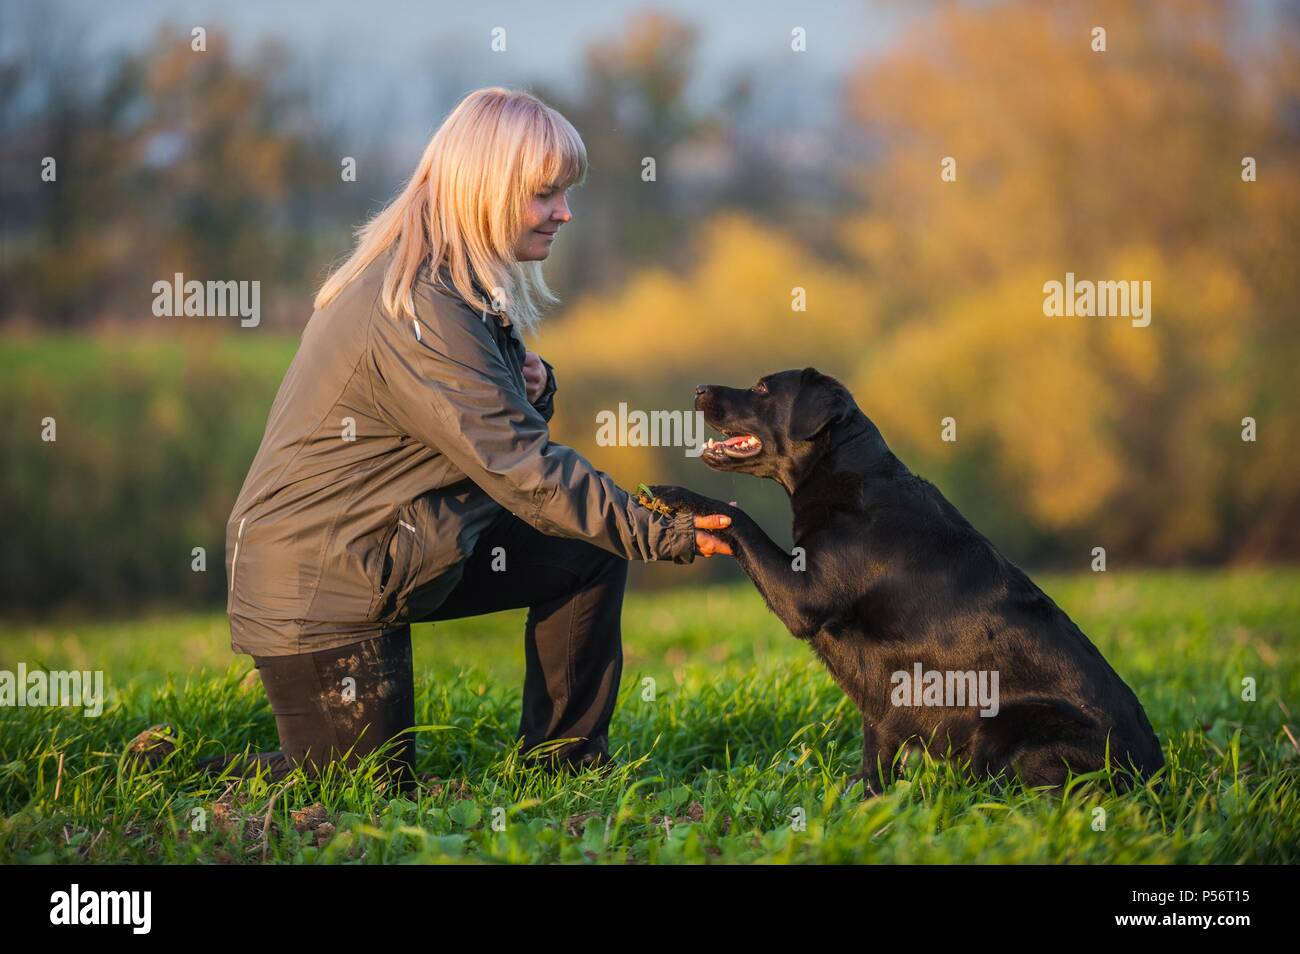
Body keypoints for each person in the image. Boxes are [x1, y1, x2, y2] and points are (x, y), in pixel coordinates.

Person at [128, 87, 732, 790]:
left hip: (390, 550)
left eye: (564, 193)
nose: (564, 211)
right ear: (487, 189)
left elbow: (487, 443)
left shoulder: (451, 289)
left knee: (585, 551)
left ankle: (565, 769)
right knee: (363, 789)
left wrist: (532, 389)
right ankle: (165, 770)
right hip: (322, 585)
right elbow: (521, 466)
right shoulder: (422, 304)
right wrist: (661, 530)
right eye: (546, 194)